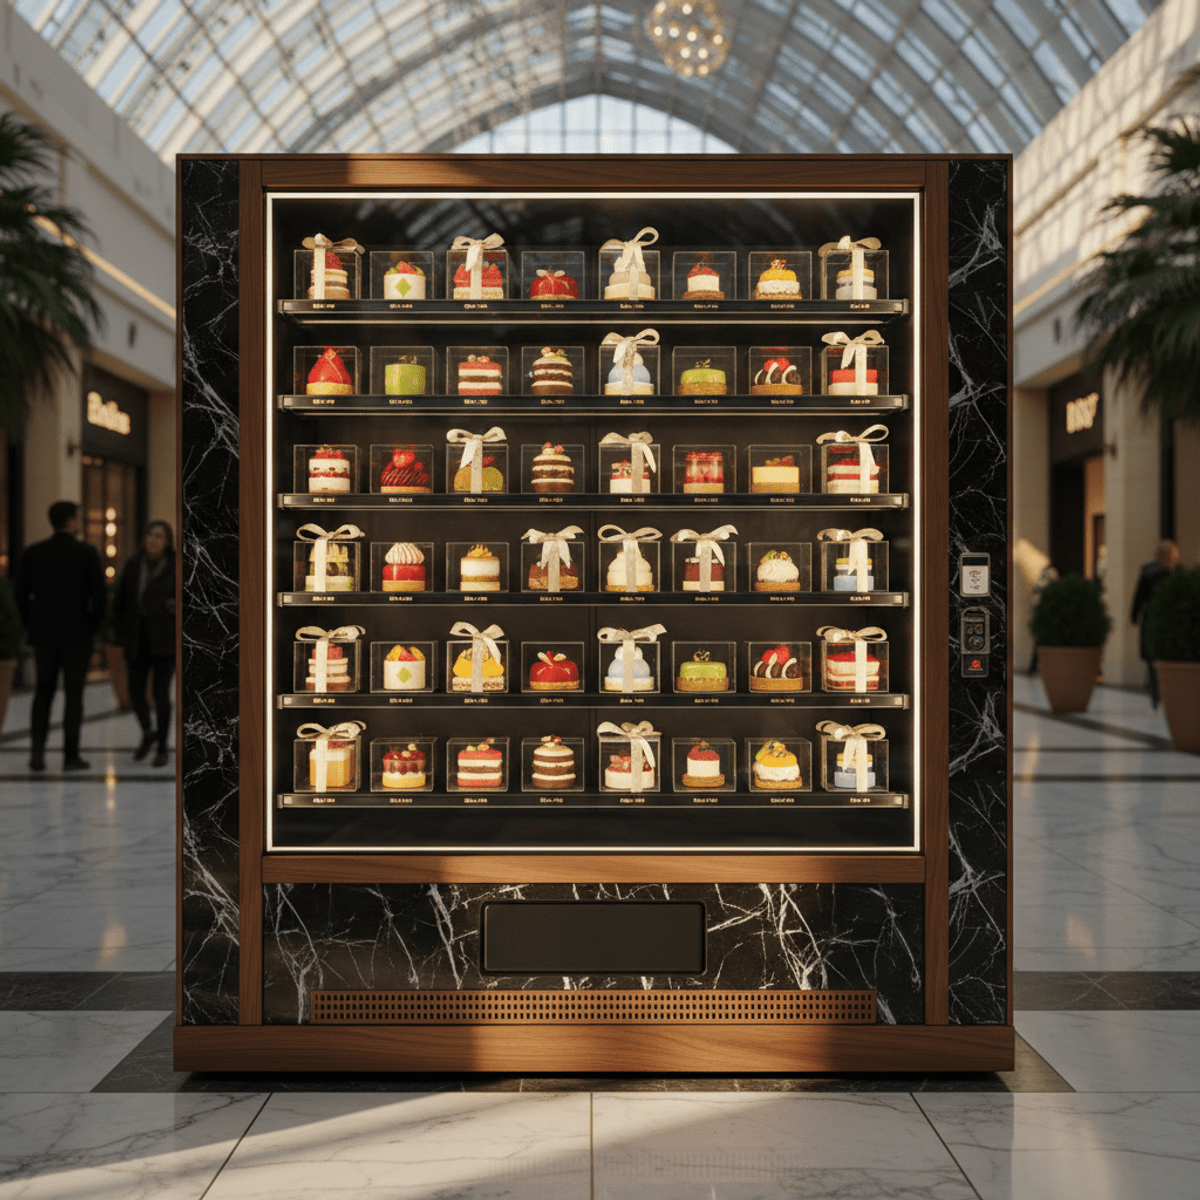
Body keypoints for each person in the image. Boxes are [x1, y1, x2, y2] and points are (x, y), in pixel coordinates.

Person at [14, 500, 107, 771]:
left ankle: (37, 753)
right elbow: (100, 599)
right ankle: (70, 755)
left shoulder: (33, 553)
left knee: (43, 692)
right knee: (74, 695)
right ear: (70, 521)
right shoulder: (86, 553)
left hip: (44, 635)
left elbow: (21, 596)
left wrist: (32, 623)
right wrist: (91, 627)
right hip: (77, 635)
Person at [112, 520, 177, 767]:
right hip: (136, 639)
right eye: (149, 535)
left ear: (167, 541)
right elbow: (120, 601)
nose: (153, 540)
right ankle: (148, 731)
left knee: (161, 695)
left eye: (158, 536)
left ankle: (161, 746)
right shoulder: (133, 564)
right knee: (135, 693)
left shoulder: (175, 567)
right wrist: (118, 633)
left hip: (164, 640)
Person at [1130, 539, 1180, 707]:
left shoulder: (1147, 572)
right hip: (1169, 621)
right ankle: (1169, 696)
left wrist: (1134, 616)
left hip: (1151, 619)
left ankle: (1155, 698)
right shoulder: (1174, 574)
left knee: (1152, 659)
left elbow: (1138, 597)